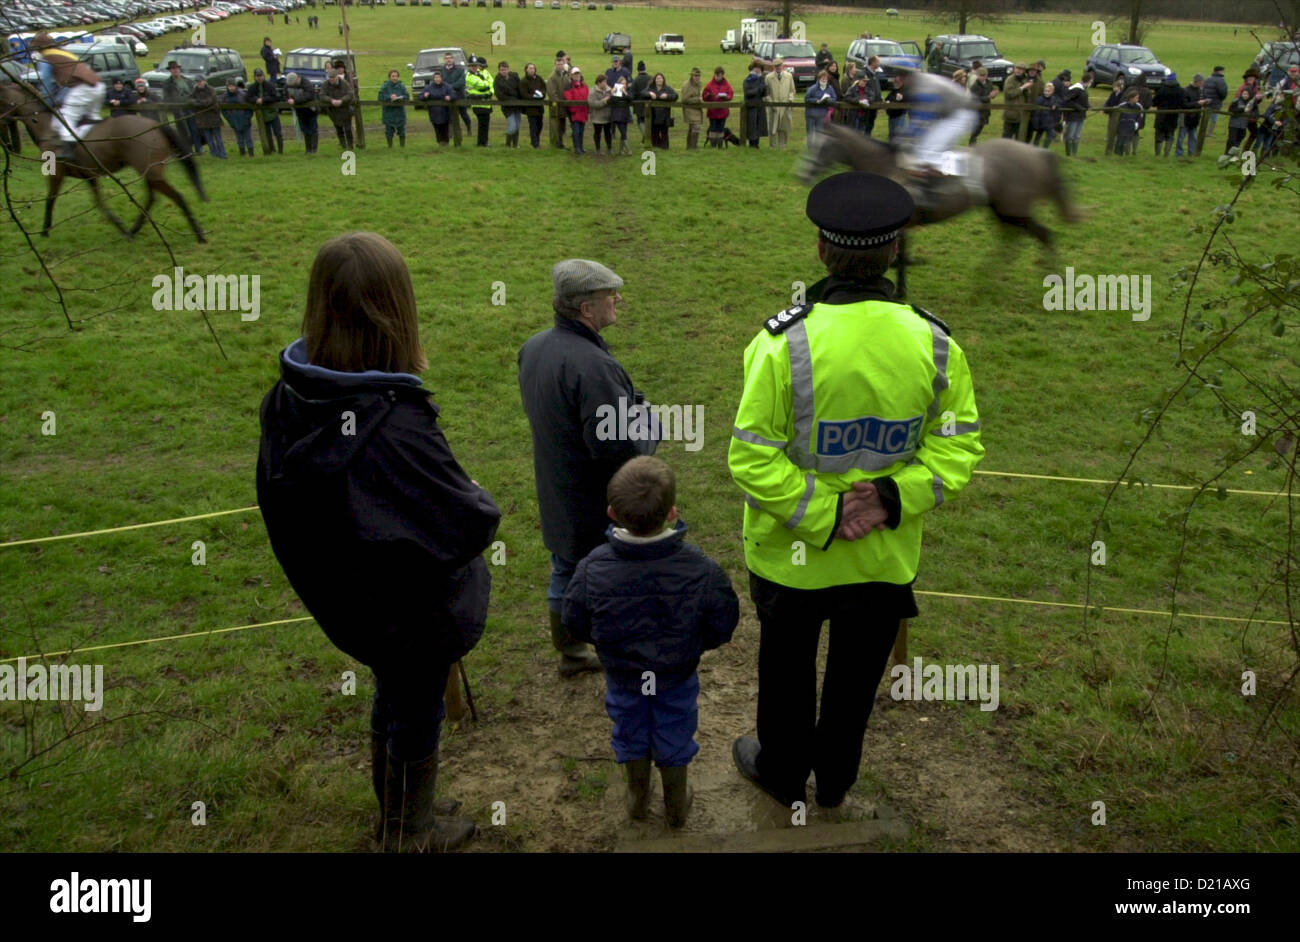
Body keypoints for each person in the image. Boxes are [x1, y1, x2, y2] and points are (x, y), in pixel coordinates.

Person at [727, 171, 983, 812]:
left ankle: (782, 772)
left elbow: (751, 458)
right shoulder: (937, 342)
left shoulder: (780, 344)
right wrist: (891, 499)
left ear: (820, 251)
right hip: (881, 559)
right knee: (854, 682)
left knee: (785, 675)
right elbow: (958, 448)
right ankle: (836, 780)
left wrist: (824, 513)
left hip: (792, 557)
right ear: (894, 252)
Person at [257, 231, 500, 853]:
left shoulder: (291, 398)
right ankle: (409, 833)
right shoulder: (392, 423)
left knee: (394, 693)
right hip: (404, 612)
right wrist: (472, 492)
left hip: (346, 597)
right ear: (395, 311)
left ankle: (394, 810)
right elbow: (468, 524)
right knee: (416, 706)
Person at [563, 456, 739, 827]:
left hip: (624, 676)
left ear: (612, 513)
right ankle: (676, 806)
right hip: (676, 676)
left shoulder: (591, 569)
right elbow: (723, 623)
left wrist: (607, 646)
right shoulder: (701, 569)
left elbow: (575, 622)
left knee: (629, 728)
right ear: (672, 513)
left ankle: (637, 800)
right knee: (675, 729)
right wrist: (692, 646)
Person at [518, 259, 660, 678]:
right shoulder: (592, 366)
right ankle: (620, 649)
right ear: (585, 310)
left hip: (557, 485)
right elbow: (619, 449)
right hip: (596, 500)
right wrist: (649, 422)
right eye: (609, 295)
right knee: (618, 576)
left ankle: (572, 654)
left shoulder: (536, 347)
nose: (619, 299)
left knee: (565, 570)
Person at [29, 32, 103, 164]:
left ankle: (67, 151)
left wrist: (46, 102)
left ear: (38, 48)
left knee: (65, 117)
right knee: (90, 119)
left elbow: (46, 82)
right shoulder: (64, 53)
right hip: (99, 86)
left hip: (82, 87)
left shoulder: (46, 58)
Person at [892, 66, 976, 172]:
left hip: (961, 114)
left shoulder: (924, 87)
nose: (900, 80)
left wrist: (903, 137)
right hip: (949, 114)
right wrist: (906, 137)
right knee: (922, 148)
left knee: (928, 153)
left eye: (902, 77)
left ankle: (968, 173)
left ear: (909, 76)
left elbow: (922, 119)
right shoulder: (918, 84)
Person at [161, 59, 197, 154]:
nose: (175, 70)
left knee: (194, 128)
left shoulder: (187, 80)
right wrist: (173, 102)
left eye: (176, 68)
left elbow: (194, 92)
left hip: (190, 108)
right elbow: (166, 97)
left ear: (179, 69)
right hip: (178, 109)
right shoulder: (167, 83)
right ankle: (187, 150)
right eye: (173, 69)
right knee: (183, 130)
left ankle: (196, 148)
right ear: (170, 71)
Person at [248, 67, 284, 155]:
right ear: (255, 77)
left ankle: (280, 151)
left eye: (261, 75)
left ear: (263, 76)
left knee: (278, 132)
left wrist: (263, 99)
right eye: (257, 76)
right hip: (262, 115)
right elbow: (248, 97)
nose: (259, 77)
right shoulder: (252, 87)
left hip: (272, 113)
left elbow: (276, 97)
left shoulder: (270, 85)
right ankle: (271, 149)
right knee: (267, 134)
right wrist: (256, 99)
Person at [189, 76, 226, 158]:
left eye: (200, 81)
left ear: (204, 81)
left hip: (213, 118)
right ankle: (214, 155)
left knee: (218, 138)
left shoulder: (211, 89)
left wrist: (199, 103)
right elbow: (190, 99)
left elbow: (209, 101)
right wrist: (197, 103)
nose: (199, 83)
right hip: (203, 119)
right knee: (209, 139)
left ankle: (223, 154)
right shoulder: (195, 90)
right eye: (197, 81)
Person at [703, 66, 740, 148]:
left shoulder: (727, 85)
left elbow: (731, 94)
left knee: (720, 129)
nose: (718, 78)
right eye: (716, 76)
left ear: (722, 75)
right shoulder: (709, 85)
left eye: (719, 76)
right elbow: (704, 96)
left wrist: (726, 97)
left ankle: (719, 146)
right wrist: (708, 96)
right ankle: (713, 146)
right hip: (712, 112)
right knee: (713, 129)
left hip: (723, 112)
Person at [285, 72, 319, 155]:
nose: (292, 85)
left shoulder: (307, 84)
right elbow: (285, 94)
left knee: (313, 130)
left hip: (311, 111)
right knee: (305, 130)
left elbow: (309, 95)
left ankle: (313, 150)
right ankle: (308, 149)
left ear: (297, 79)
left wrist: (295, 101)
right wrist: (287, 99)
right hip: (300, 112)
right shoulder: (288, 85)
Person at [323, 62, 355, 151]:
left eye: (333, 78)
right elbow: (321, 95)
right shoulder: (325, 84)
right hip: (333, 111)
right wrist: (331, 100)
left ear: (337, 76)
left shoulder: (344, 83)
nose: (332, 80)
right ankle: (343, 145)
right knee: (339, 129)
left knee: (348, 129)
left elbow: (350, 94)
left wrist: (342, 100)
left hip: (345, 110)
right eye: (330, 78)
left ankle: (350, 145)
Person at [764, 58, 794, 148]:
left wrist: (790, 100)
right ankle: (772, 146)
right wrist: (771, 103)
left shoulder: (789, 76)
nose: (778, 67)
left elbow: (792, 90)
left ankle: (783, 146)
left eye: (779, 65)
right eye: (776, 66)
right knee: (773, 126)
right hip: (773, 106)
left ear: (782, 66)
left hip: (785, 106)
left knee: (784, 127)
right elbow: (766, 93)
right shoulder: (768, 77)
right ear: (774, 67)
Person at [1177, 74, 1210, 157]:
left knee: (1193, 137)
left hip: (1195, 118)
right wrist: (1197, 103)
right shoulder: (1186, 91)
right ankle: (1179, 154)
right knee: (1181, 137)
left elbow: (1204, 98)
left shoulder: (1201, 91)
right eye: (1201, 82)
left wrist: (1206, 101)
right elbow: (1184, 104)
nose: (1202, 84)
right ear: (1197, 82)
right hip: (1185, 118)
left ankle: (1191, 153)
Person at [420, 70, 455, 146]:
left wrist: (450, 97)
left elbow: (453, 94)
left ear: (441, 78)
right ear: (433, 78)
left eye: (439, 77)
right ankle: (440, 142)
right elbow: (421, 96)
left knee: (445, 127)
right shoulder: (429, 87)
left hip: (445, 111)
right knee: (437, 127)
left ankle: (445, 142)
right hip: (434, 112)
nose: (437, 79)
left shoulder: (447, 86)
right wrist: (424, 96)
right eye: (436, 77)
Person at [1060, 71, 1091, 156]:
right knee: (1070, 135)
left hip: (1081, 116)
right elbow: (1067, 100)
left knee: (1077, 135)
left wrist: (1088, 105)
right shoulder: (1076, 88)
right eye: (1091, 81)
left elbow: (1083, 100)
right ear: (1088, 81)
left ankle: (1074, 153)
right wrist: (1079, 108)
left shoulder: (1084, 89)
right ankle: (1069, 154)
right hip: (1073, 116)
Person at [644, 71, 677, 149]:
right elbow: (642, 93)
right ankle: (656, 147)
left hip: (664, 115)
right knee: (654, 132)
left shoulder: (667, 88)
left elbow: (675, 96)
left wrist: (667, 96)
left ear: (663, 80)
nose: (659, 80)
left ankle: (665, 148)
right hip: (654, 114)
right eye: (658, 78)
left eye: (661, 78)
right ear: (655, 80)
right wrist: (650, 94)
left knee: (664, 132)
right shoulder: (651, 88)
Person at [465, 57, 494, 147]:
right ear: (469, 67)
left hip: (486, 103)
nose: (474, 67)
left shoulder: (479, 74)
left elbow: (491, 83)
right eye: (472, 66)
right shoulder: (470, 76)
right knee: (482, 123)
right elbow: (484, 86)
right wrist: (487, 84)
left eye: (476, 65)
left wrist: (489, 87)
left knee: (485, 124)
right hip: (478, 103)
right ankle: (482, 142)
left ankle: (483, 142)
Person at [222, 78, 254, 157]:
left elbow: (250, 108)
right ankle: (242, 153)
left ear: (236, 86)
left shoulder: (243, 94)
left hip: (245, 119)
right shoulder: (225, 97)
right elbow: (224, 111)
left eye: (233, 86)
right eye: (229, 86)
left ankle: (251, 154)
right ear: (227, 87)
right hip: (234, 121)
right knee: (239, 138)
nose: (231, 88)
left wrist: (247, 117)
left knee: (248, 138)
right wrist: (230, 120)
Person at [441, 52, 470, 138]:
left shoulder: (460, 69)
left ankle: (469, 128)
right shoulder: (442, 70)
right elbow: (440, 82)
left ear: (453, 59)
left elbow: (461, 82)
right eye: (447, 58)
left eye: (450, 58)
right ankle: (452, 133)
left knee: (463, 114)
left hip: (459, 95)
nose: (448, 59)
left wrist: (450, 87)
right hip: (448, 96)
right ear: (444, 60)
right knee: (449, 115)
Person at [1153, 73, 1182, 156]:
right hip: (1173, 116)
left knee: (1159, 135)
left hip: (1161, 116)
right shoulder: (1180, 90)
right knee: (1170, 135)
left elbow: (1154, 102)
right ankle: (1166, 154)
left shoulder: (1161, 90)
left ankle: (1157, 154)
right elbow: (1183, 103)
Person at [494, 60, 522, 148]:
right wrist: (512, 98)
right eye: (502, 70)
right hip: (507, 107)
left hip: (517, 106)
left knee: (517, 126)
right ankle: (507, 143)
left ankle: (515, 144)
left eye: (505, 69)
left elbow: (520, 88)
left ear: (508, 69)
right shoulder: (497, 80)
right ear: (499, 70)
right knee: (512, 125)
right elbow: (499, 95)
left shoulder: (515, 76)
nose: (504, 71)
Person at [546, 54, 571, 148]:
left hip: (564, 106)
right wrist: (559, 103)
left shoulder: (564, 75)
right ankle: (557, 144)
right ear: (555, 65)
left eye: (561, 64)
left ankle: (560, 143)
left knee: (562, 127)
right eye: (558, 64)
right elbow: (552, 94)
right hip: (557, 107)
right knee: (557, 126)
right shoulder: (552, 77)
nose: (560, 66)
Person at [379, 68, 409, 148]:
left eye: (396, 76)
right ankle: (390, 146)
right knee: (389, 131)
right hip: (388, 112)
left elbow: (407, 96)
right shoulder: (385, 86)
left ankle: (402, 146)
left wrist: (401, 98)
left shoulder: (401, 86)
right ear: (389, 77)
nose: (395, 78)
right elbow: (380, 96)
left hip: (400, 112)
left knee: (402, 131)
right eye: (393, 76)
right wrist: (389, 97)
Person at [563, 67, 589, 155]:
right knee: (576, 131)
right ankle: (577, 147)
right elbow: (569, 99)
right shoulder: (568, 86)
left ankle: (581, 147)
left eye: (578, 73)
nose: (577, 75)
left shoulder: (584, 85)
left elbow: (587, 97)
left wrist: (587, 109)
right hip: (574, 113)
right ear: (571, 75)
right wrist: (573, 111)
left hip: (583, 111)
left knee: (581, 130)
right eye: (575, 74)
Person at [520, 62, 547, 149]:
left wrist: (542, 94)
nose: (532, 70)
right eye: (530, 68)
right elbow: (524, 94)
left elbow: (544, 87)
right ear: (526, 70)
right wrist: (534, 96)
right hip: (530, 108)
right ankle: (535, 143)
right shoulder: (524, 81)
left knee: (540, 125)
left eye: (533, 68)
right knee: (533, 126)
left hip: (539, 107)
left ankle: (536, 141)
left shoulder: (539, 78)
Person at [1001, 62, 1030, 140]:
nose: (1019, 71)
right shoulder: (1010, 80)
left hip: (1020, 114)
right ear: (1014, 69)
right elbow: (1009, 94)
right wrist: (1022, 88)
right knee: (1007, 137)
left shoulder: (1024, 79)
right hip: (1010, 113)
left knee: (1019, 137)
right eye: (1017, 68)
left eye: (1021, 69)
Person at [967, 66, 996, 145]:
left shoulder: (989, 83)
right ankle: (972, 141)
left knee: (981, 126)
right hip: (977, 110)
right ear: (977, 75)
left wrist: (993, 95)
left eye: (984, 75)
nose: (982, 77)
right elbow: (976, 98)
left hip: (986, 110)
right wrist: (988, 97)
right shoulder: (975, 86)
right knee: (977, 126)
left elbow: (991, 92)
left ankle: (973, 139)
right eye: (981, 75)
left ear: (987, 75)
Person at [742, 61, 768, 147]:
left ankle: (757, 144)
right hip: (751, 106)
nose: (758, 70)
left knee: (759, 126)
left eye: (759, 68)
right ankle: (751, 144)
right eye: (756, 68)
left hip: (760, 106)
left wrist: (764, 89)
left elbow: (765, 93)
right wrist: (757, 89)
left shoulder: (762, 79)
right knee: (751, 126)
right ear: (753, 68)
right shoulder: (748, 79)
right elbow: (747, 92)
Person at [1030, 80, 1062, 147]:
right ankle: (1035, 149)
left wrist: (1055, 105)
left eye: (1048, 91)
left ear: (1052, 92)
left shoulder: (1054, 99)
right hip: (1040, 122)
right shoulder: (1039, 99)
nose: (1046, 93)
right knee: (1038, 137)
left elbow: (1059, 103)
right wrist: (1036, 123)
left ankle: (1045, 148)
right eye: (1045, 91)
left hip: (1049, 123)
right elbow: (1036, 113)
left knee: (1052, 134)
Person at [1115, 86, 1144, 156]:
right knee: (1120, 141)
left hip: (1132, 127)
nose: (1138, 99)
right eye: (1136, 98)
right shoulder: (1122, 106)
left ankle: (1127, 154)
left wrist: (1137, 124)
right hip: (1122, 127)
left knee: (1128, 142)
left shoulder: (1139, 107)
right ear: (1131, 98)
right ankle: (1118, 154)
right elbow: (1116, 114)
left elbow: (1141, 116)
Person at [588, 73, 613, 154]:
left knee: (608, 133)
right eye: (604, 82)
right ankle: (597, 149)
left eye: (606, 81)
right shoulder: (592, 92)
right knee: (597, 133)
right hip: (597, 117)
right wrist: (604, 101)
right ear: (599, 83)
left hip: (607, 116)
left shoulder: (610, 90)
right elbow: (594, 104)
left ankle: (609, 148)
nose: (606, 83)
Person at [681, 67, 705, 150]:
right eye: (695, 76)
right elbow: (684, 99)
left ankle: (690, 147)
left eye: (699, 76)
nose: (697, 77)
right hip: (689, 109)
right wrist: (697, 99)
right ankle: (693, 147)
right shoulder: (687, 85)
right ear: (692, 76)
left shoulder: (698, 84)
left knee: (693, 128)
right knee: (696, 127)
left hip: (696, 109)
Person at [1102, 76, 1127, 156]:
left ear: (1119, 87)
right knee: (1110, 128)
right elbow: (1108, 102)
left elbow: (1122, 104)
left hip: (1119, 115)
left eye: (1115, 87)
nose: (1114, 88)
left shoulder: (1122, 95)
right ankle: (1109, 141)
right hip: (1111, 114)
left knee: (1117, 130)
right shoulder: (1112, 94)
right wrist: (1104, 108)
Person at [609, 74, 632, 155]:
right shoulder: (615, 93)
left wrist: (625, 92)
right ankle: (628, 149)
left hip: (625, 115)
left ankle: (621, 150)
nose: (624, 85)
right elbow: (611, 101)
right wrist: (612, 93)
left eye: (625, 83)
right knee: (623, 132)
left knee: (624, 132)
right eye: (622, 83)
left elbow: (630, 99)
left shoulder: (627, 92)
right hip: (617, 116)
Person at [1204, 65, 1228, 136]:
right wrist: (1221, 99)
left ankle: (1203, 130)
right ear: (1220, 71)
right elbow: (1223, 92)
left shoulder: (1208, 79)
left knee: (1206, 117)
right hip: (1216, 102)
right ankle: (1210, 132)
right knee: (1214, 118)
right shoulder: (1221, 80)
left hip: (1206, 101)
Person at [630, 60, 652, 131]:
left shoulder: (635, 80)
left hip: (639, 105)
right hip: (650, 104)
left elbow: (632, 94)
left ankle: (645, 136)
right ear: (645, 69)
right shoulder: (651, 79)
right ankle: (647, 136)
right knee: (649, 121)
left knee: (640, 121)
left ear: (638, 70)